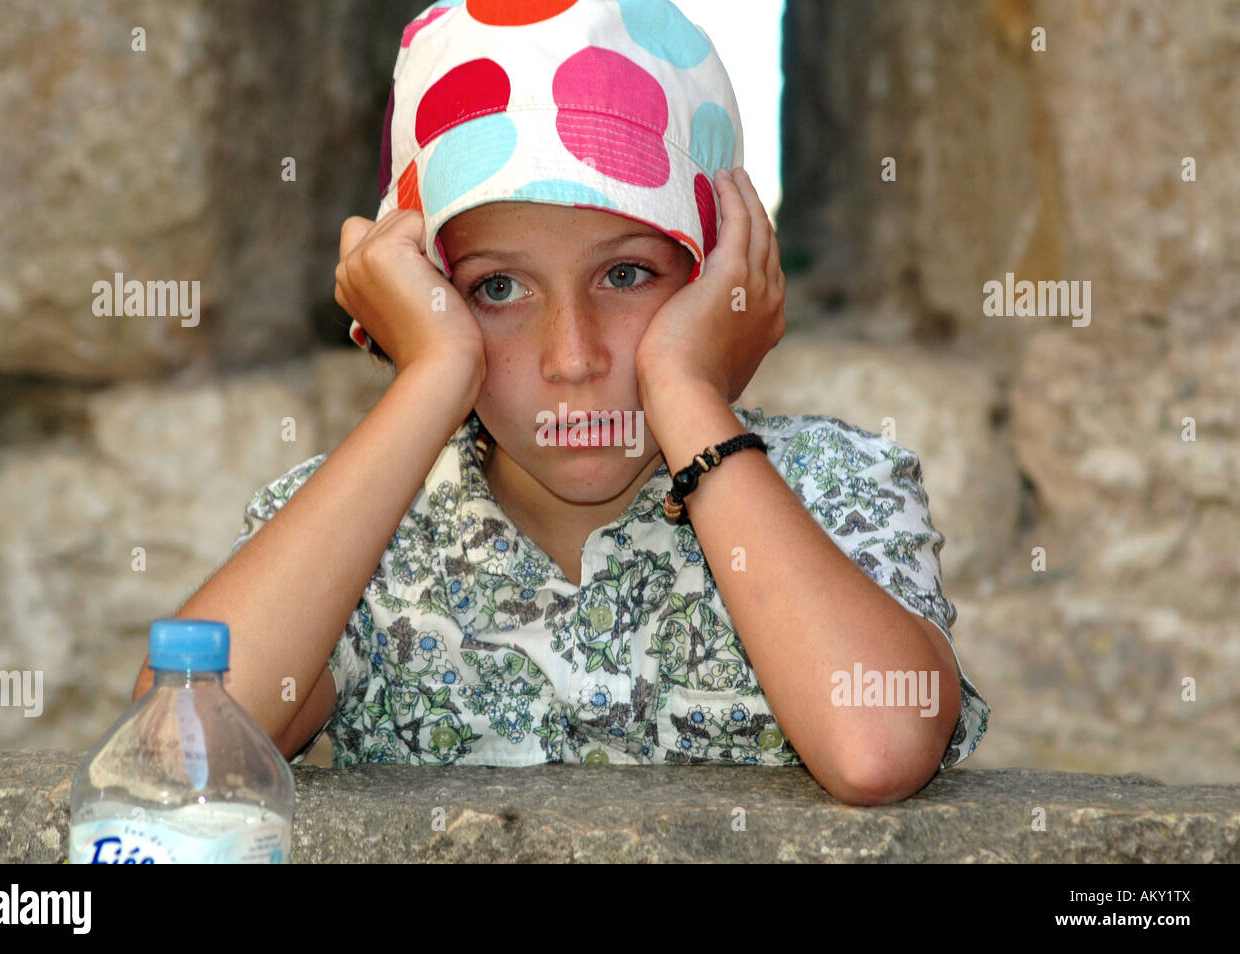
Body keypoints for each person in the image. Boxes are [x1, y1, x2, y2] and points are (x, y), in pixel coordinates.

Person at [132, 0, 989, 805]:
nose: (572, 356)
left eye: (626, 275)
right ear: (422, 297)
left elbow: (876, 746)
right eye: (497, 286)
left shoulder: (832, 485)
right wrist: (431, 378)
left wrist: (688, 390)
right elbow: (182, 752)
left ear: (720, 278)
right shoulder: (364, 532)